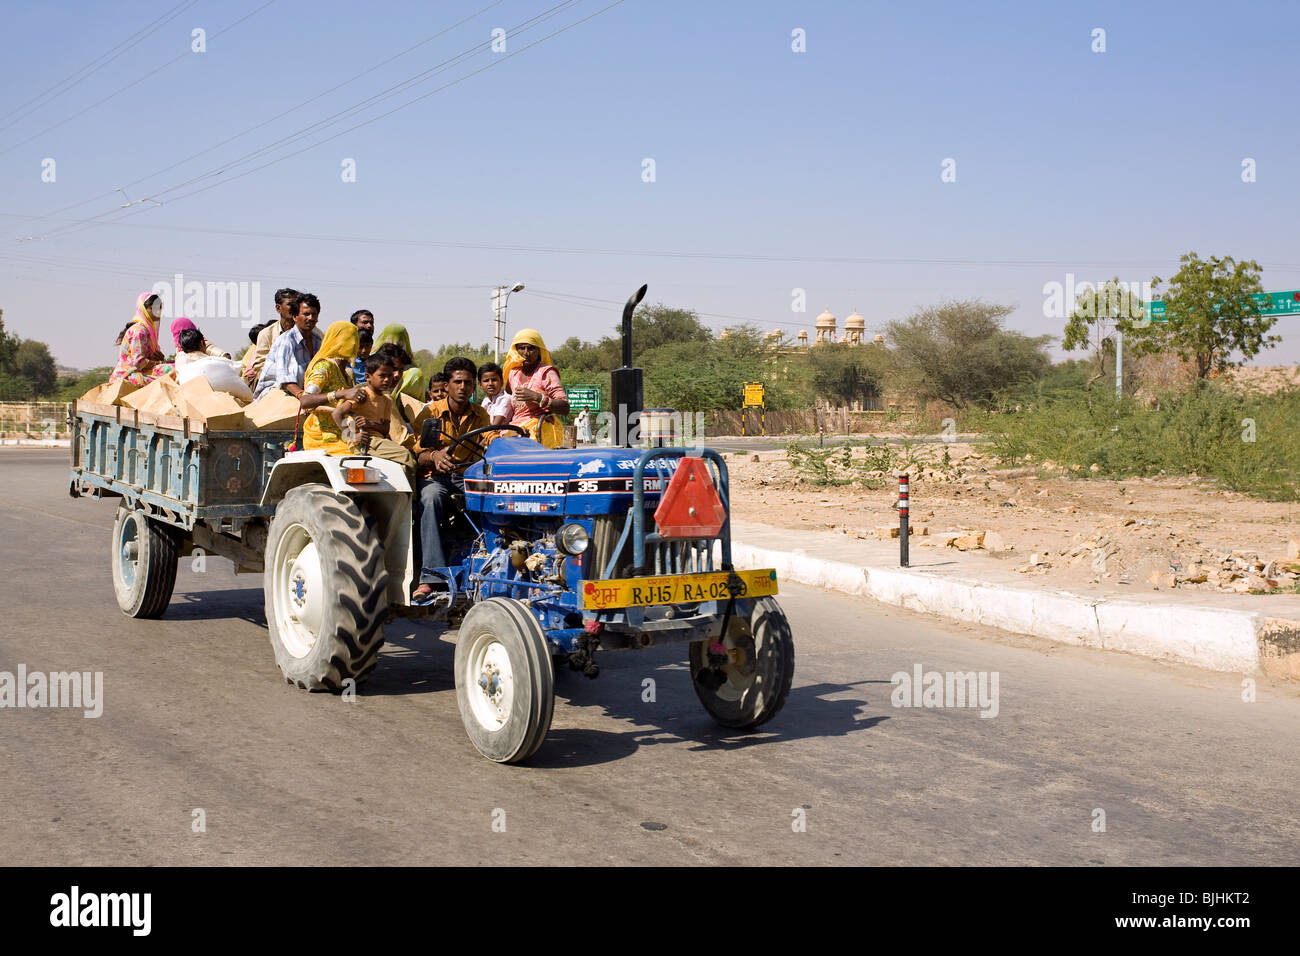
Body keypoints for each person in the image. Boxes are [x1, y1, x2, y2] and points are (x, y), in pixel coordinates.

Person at [409, 356, 491, 602]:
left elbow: (488, 442)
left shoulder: (481, 415)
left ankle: (487, 567)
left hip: (465, 477)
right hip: (436, 478)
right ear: (447, 385)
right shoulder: (430, 413)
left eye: (468, 382)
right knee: (431, 498)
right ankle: (431, 577)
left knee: (494, 499)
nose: (463, 387)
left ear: (474, 386)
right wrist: (434, 456)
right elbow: (416, 452)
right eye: (458, 382)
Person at [329, 354, 414, 469]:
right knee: (406, 456)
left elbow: (386, 429)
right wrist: (351, 436)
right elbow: (337, 413)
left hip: (378, 441)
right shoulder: (361, 394)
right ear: (368, 377)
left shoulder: (386, 400)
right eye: (382, 376)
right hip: (366, 442)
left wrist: (370, 424)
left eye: (389, 376)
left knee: (402, 464)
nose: (387, 380)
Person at [502, 328, 568, 447]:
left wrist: (538, 397)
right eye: (522, 348)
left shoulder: (546, 373)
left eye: (531, 348)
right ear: (516, 350)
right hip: (515, 429)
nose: (526, 353)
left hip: (540, 430)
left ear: (539, 351)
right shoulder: (513, 373)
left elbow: (565, 408)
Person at [253, 292, 323, 399]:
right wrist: (303, 397)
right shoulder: (286, 340)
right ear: (295, 317)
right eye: (306, 314)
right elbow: (284, 379)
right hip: (276, 392)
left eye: (314, 314)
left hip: (304, 393)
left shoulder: (318, 339)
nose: (311, 318)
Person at [110, 292, 174, 385]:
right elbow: (139, 362)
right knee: (172, 370)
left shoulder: (147, 331)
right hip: (129, 374)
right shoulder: (140, 331)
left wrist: (158, 359)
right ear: (144, 309)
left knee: (177, 364)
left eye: (160, 308)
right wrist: (159, 362)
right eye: (154, 308)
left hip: (140, 371)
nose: (159, 311)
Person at [243, 288, 299, 386]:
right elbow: (259, 366)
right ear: (278, 308)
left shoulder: (310, 332)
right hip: (273, 383)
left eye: (297, 304)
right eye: (290, 304)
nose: (295, 308)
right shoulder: (266, 334)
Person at [374, 323, 426, 401]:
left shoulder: (412, 373)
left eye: (401, 370)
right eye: (394, 369)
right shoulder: (367, 392)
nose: (397, 375)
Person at [478, 361, 510, 426]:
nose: (490, 384)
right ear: (480, 385)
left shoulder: (504, 398)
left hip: (501, 434)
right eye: (486, 381)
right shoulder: (486, 401)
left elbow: (494, 426)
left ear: (501, 382)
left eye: (494, 380)